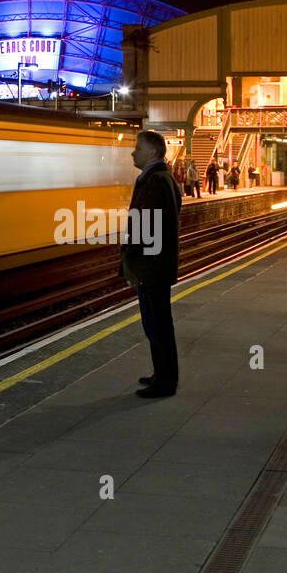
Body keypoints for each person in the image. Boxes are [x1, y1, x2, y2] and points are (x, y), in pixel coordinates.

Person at [120, 130, 182, 397]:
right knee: (157, 324)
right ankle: (162, 374)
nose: (133, 153)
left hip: (151, 265)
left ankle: (165, 382)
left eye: (138, 148)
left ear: (152, 153)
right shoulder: (159, 178)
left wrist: (131, 252)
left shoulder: (156, 181)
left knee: (157, 325)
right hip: (154, 263)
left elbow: (148, 224)